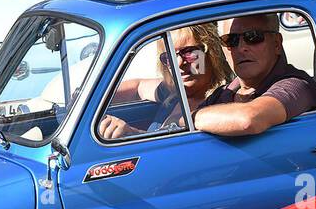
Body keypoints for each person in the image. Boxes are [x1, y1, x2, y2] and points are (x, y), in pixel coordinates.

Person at [194, 14, 316, 136]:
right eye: (231, 40)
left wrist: (194, 117)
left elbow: (248, 120)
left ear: (276, 43)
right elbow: (182, 123)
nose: (241, 48)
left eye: (253, 37)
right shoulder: (223, 93)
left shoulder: (297, 85)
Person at [98, 23, 231, 139]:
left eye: (190, 53)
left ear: (210, 53)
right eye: (169, 57)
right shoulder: (172, 90)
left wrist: (132, 134)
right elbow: (138, 87)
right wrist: (94, 97)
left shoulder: (222, 100)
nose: (178, 63)